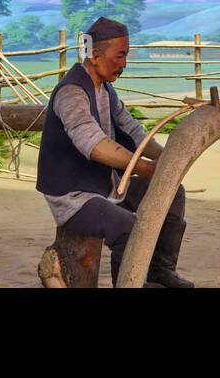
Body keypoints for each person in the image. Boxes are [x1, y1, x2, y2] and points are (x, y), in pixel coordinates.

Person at [35, 16, 193, 288]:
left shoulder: (106, 90)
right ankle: (129, 283)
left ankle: (159, 270)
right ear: (95, 55)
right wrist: (144, 168)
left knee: (172, 191)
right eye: (120, 55)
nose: (124, 64)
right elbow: (94, 145)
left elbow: (133, 131)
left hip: (106, 185)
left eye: (126, 55)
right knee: (129, 228)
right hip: (74, 196)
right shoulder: (71, 93)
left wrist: (166, 159)